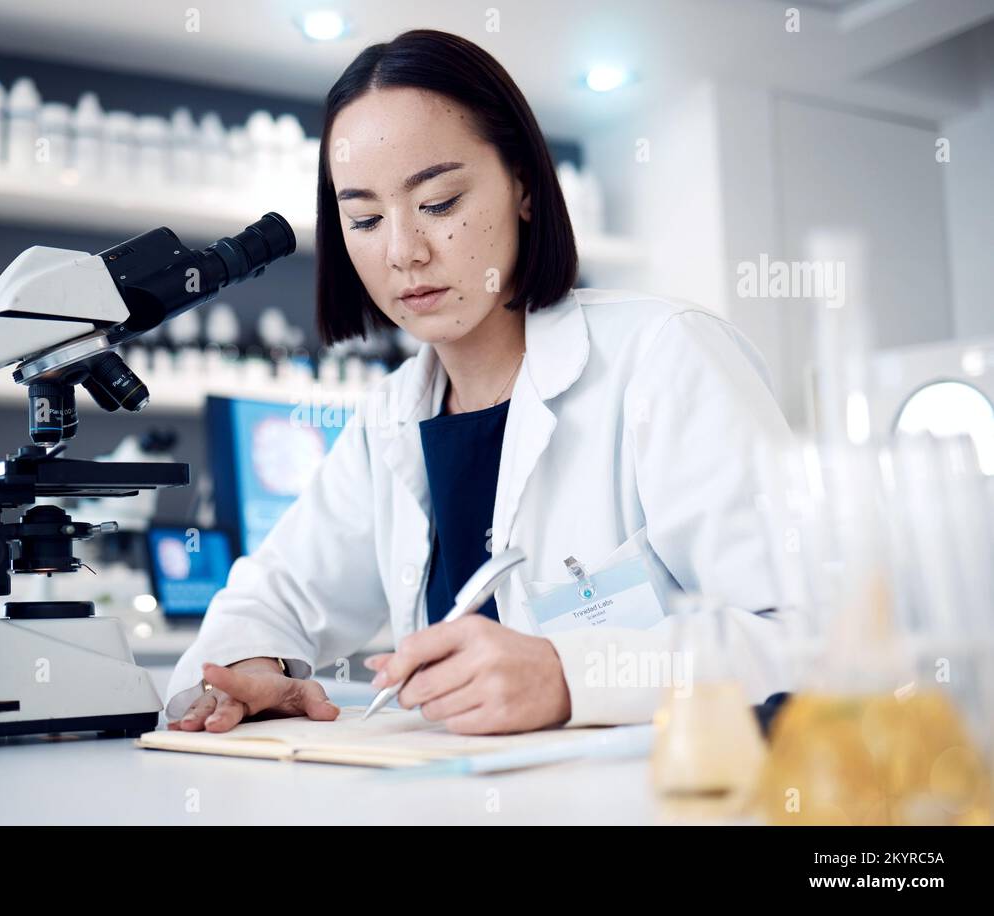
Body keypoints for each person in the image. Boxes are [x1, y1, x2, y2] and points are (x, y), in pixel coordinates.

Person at [165, 29, 797, 735]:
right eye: (366, 218)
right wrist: (252, 670)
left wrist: (570, 676)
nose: (404, 251)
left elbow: (809, 636)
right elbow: (270, 596)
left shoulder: (665, 356)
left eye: (438, 202)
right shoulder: (391, 419)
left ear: (523, 186)